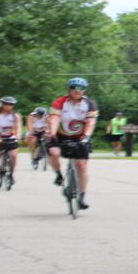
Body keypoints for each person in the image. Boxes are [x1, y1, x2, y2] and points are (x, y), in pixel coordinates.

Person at [48, 78, 98, 210]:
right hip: (60, 135)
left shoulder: (89, 104)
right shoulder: (59, 102)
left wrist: (86, 137)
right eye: (74, 87)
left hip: (80, 137)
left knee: (81, 166)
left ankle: (82, 196)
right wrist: (52, 133)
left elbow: (90, 122)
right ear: (69, 89)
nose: (78, 91)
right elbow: (54, 119)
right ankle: (58, 174)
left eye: (81, 88)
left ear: (84, 90)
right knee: (53, 153)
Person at [0, 97, 23, 179]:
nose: (9, 106)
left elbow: (18, 127)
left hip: (11, 136)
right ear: (2, 104)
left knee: (14, 156)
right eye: (6, 104)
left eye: (11, 104)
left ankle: (11, 173)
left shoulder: (16, 116)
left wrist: (18, 135)